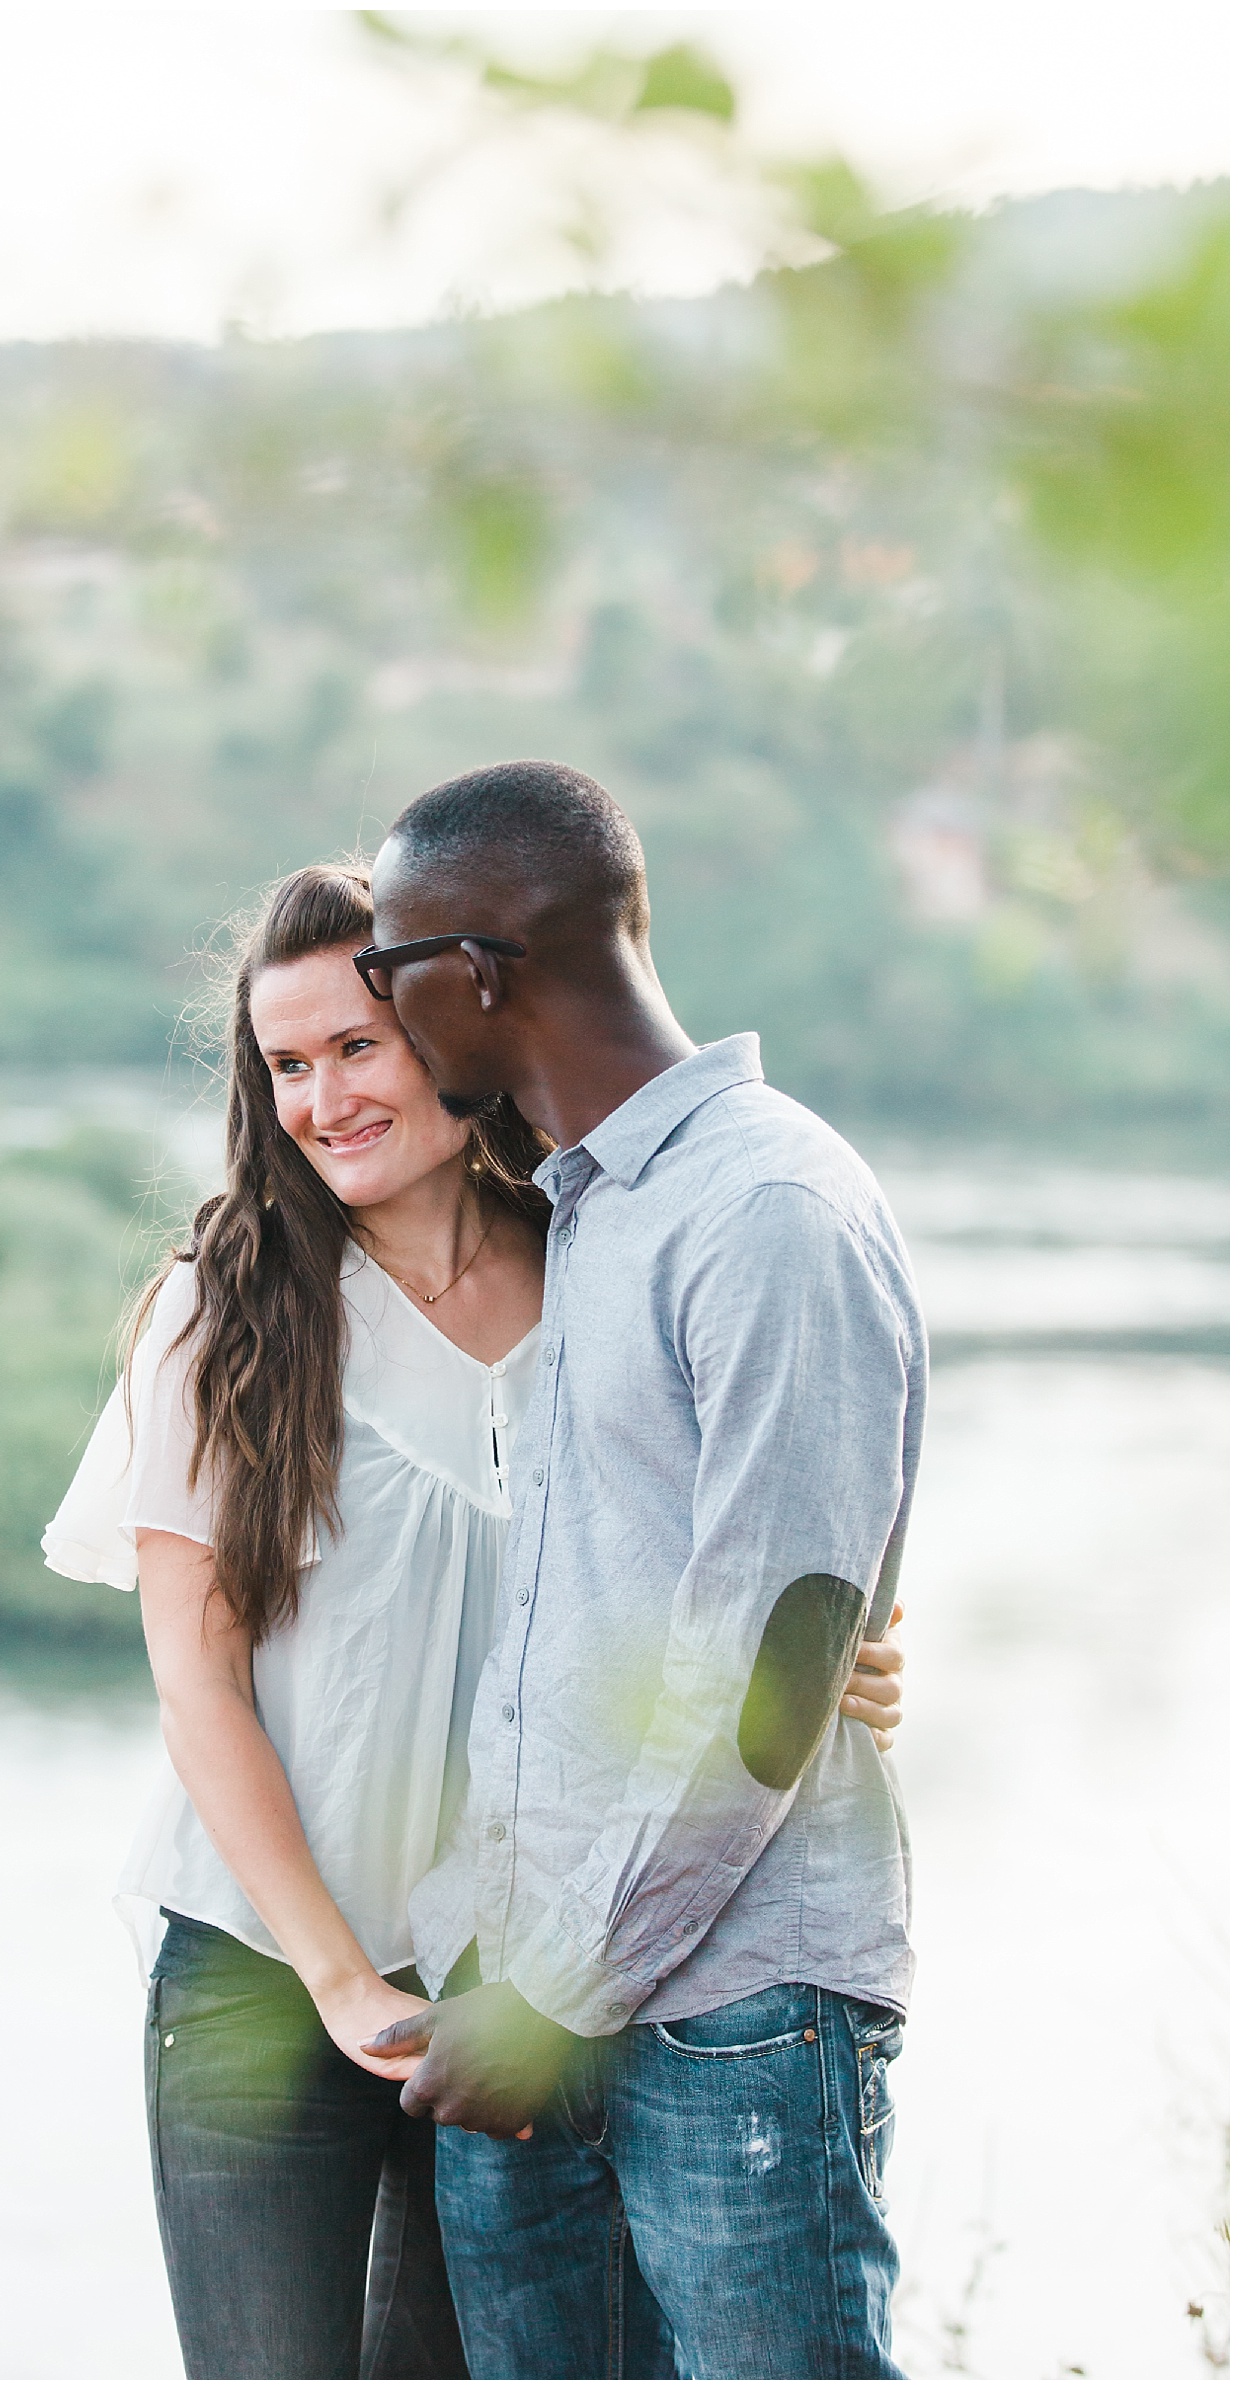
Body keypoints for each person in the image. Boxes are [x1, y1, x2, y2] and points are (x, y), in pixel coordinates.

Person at [43, 859, 909, 2381]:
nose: (321, 1099)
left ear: (447, 1027)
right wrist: (333, 1977)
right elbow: (198, 1678)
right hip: (268, 1967)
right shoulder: (226, 1308)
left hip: (514, 1980)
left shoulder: (591, 1266)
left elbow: (705, 1559)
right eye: (285, 1066)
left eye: (355, 1046)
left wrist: (831, 1655)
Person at [361, 759, 927, 2381]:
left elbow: (768, 1675)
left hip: (730, 2015)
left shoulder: (769, 1211)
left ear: (479, 970)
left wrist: (557, 1995)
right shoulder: (593, 1208)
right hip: (541, 1989)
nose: (392, 1023)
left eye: (395, 977)